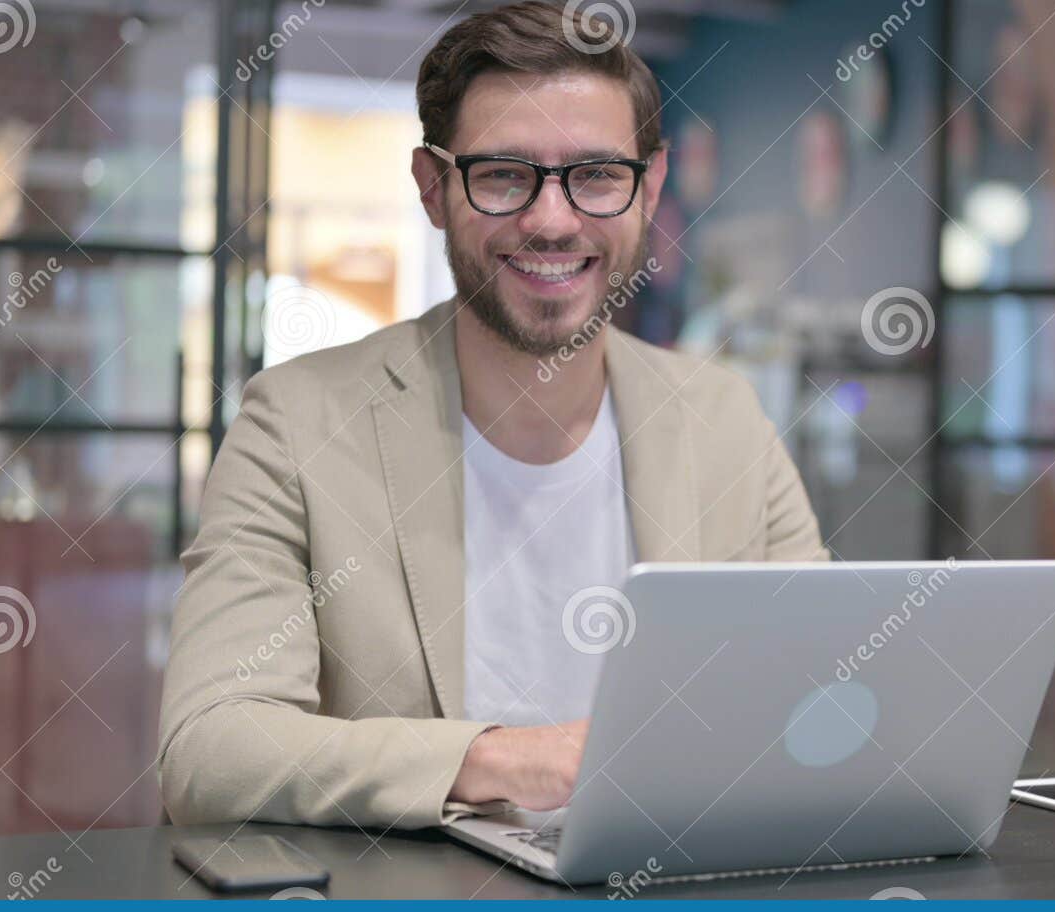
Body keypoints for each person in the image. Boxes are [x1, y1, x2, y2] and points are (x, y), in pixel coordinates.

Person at [157, 1, 825, 828]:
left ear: (648, 188)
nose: (552, 221)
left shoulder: (724, 420)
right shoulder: (295, 426)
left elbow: (824, 696)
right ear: (433, 188)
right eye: (504, 175)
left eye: (597, 175)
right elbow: (211, 748)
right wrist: (502, 761)